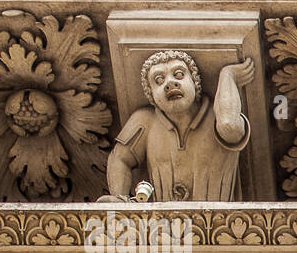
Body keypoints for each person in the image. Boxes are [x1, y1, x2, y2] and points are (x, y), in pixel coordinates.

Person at [105, 50, 254, 201]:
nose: (169, 83)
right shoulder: (145, 120)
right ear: (151, 95)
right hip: (163, 221)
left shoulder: (215, 116)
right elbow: (120, 158)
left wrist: (228, 76)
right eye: (158, 80)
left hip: (218, 220)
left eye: (179, 75)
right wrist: (119, 200)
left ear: (195, 82)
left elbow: (230, 127)